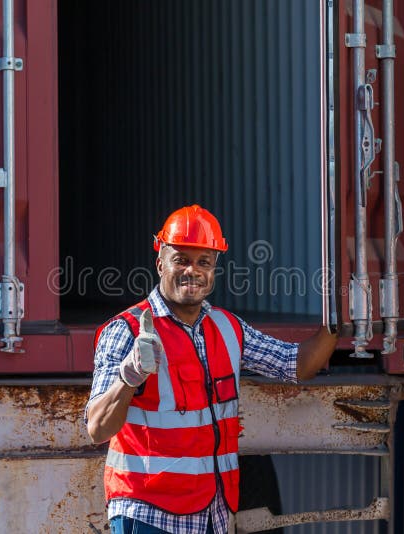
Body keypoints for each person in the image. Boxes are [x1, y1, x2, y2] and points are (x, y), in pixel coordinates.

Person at [86, 205, 337, 534]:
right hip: (148, 513)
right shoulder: (128, 329)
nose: (193, 270)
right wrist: (129, 376)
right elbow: (97, 428)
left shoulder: (228, 328)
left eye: (203, 261)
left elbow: (298, 364)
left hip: (212, 513)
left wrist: (340, 318)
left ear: (214, 268)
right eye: (181, 260)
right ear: (160, 262)